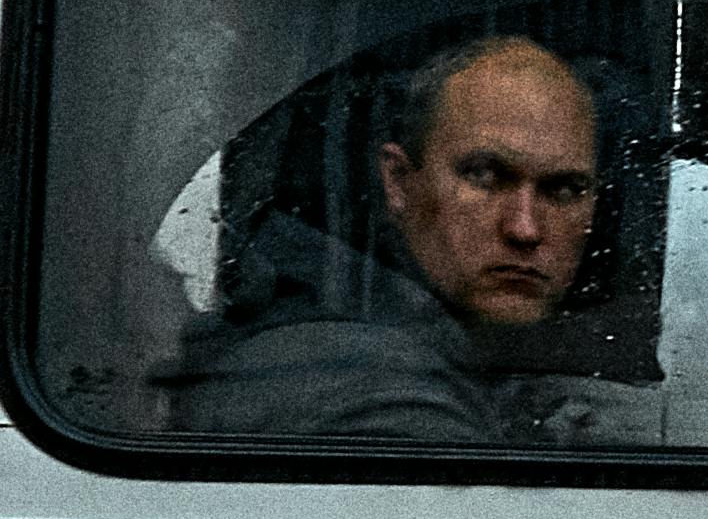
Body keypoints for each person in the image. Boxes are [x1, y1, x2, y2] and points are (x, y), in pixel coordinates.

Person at [156, 31, 617, 447]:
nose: (524, 228)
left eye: (564, 190)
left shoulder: (434, 354)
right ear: (398, 181)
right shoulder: (369, 385)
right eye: (484, 176)